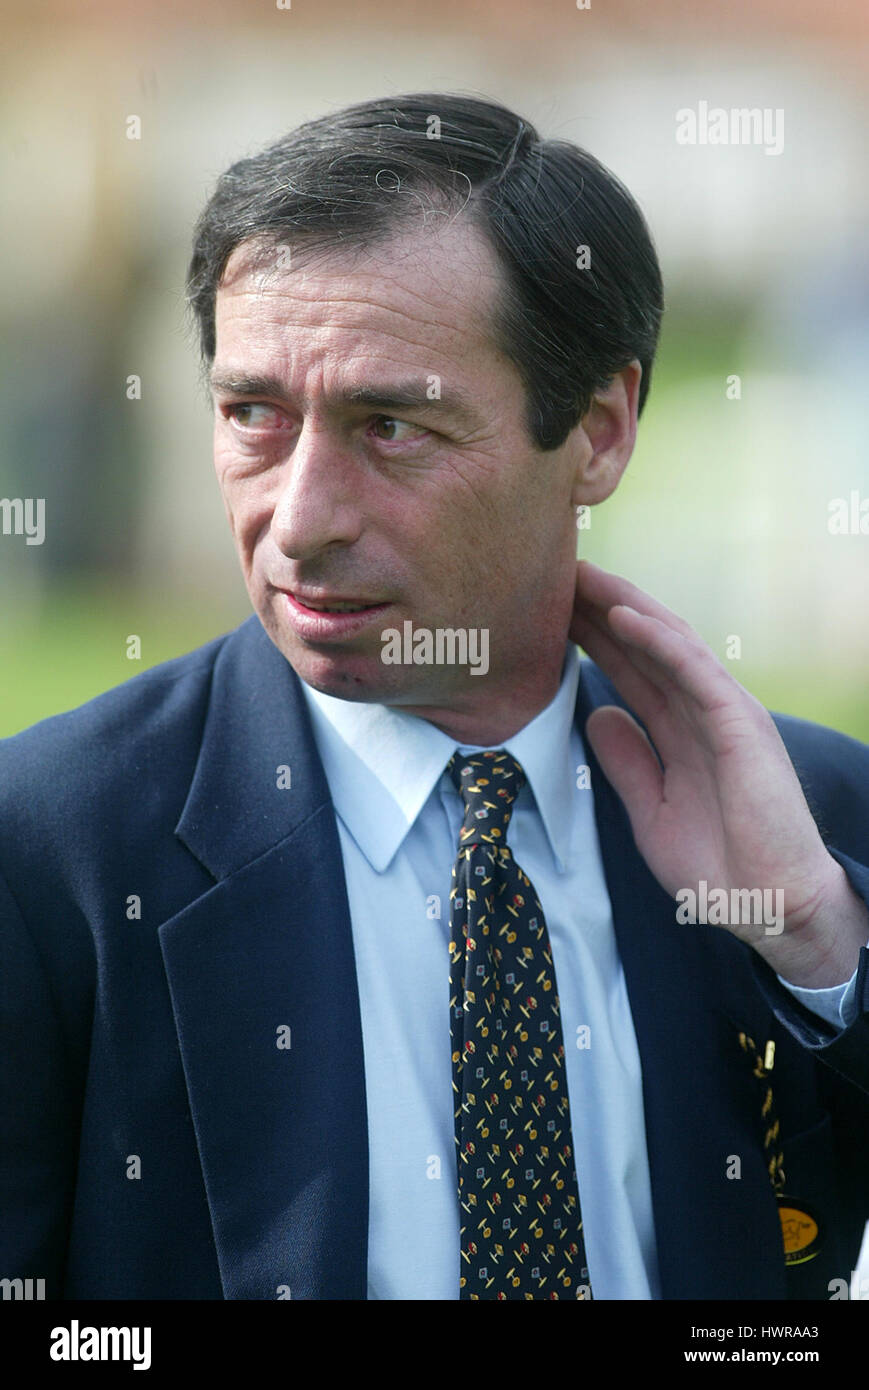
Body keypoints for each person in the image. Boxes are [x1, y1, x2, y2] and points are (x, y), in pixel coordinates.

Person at [2, 92, 867, 1302]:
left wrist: (820, 949)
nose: (297, 521)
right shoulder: (53, 850)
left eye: (392, 426)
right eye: (253, 413)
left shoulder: (817, 822)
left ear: (600, 431)